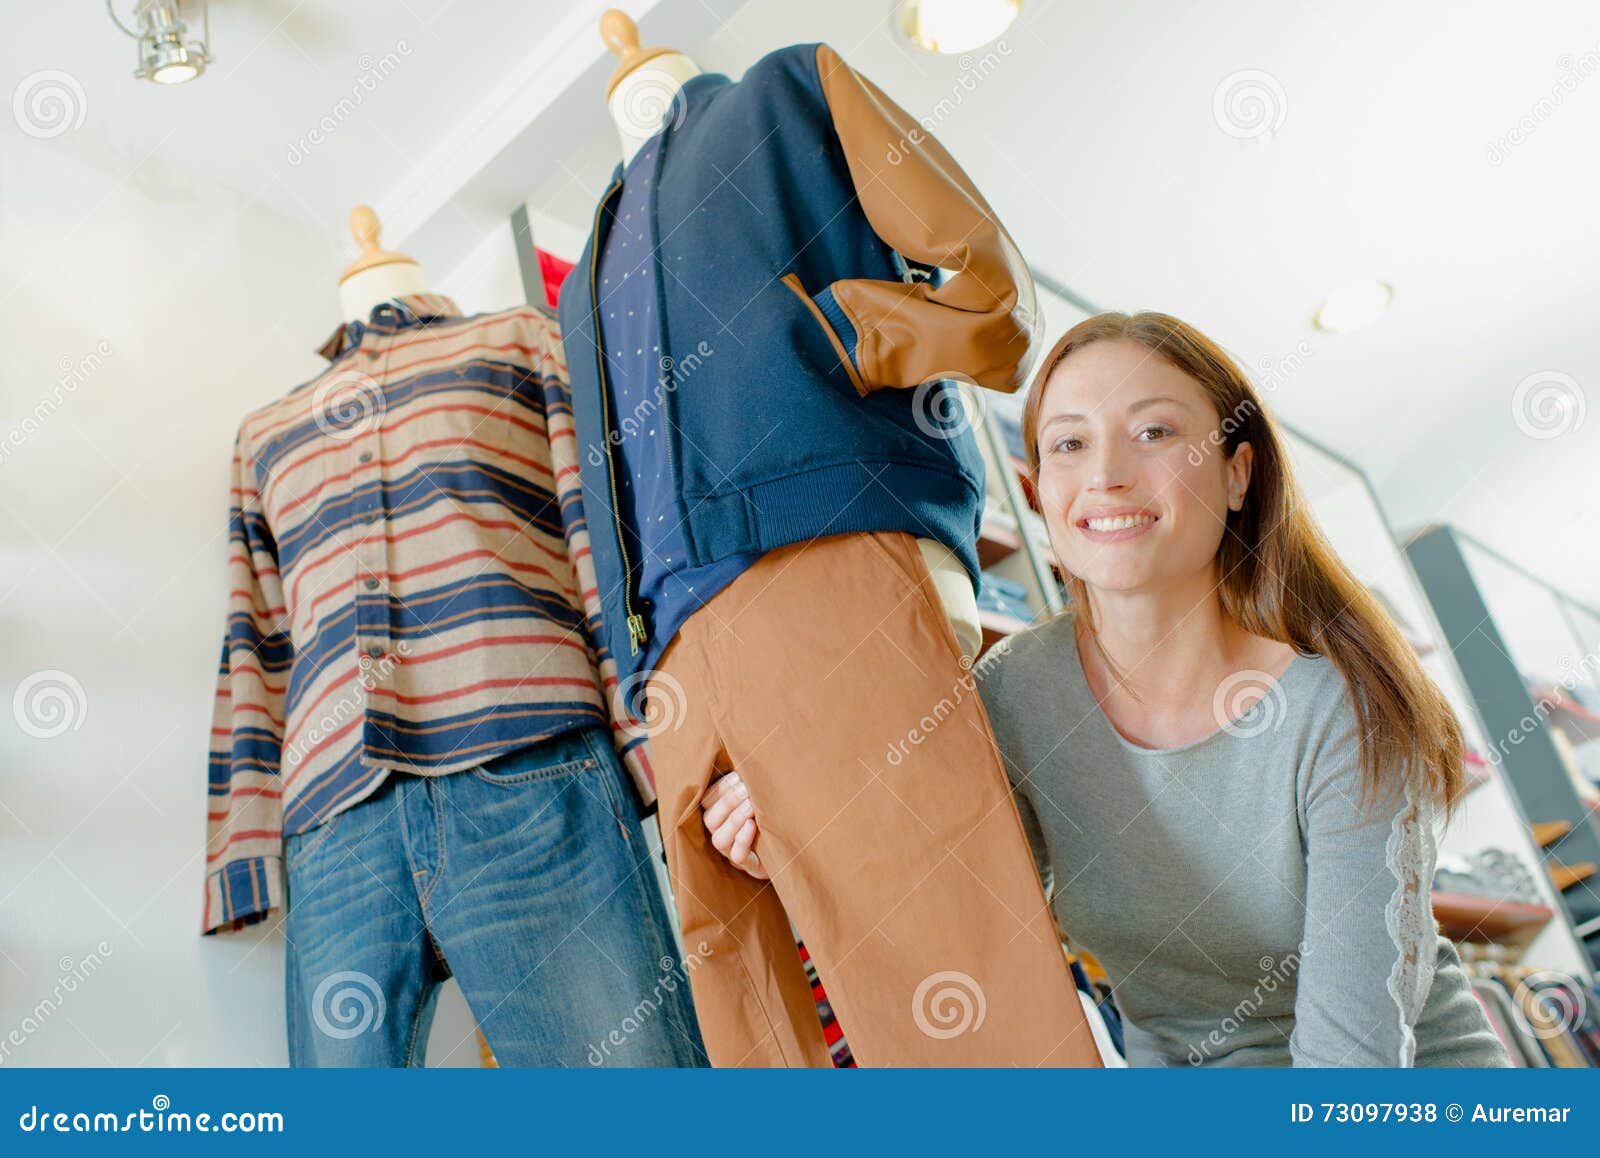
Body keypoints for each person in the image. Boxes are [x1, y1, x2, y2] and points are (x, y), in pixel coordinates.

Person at [702, 311, 1511, 1068]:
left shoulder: (1343, 712)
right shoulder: (1016, 688)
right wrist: (792, 821)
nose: (1108, 475)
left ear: (1237, 473)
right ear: (1041, 491)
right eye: (1068, 444)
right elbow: (944, 878)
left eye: (1154, 432)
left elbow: (1352, 1071)